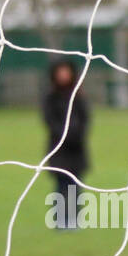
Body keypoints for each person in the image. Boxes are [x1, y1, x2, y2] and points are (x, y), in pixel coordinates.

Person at [42, 58, 91, 231]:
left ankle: (74, 220)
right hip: (58, 150)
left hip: (76, 149)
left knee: (75, 185)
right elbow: (49, 120)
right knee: (61, 185)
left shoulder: (78, 95)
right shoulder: (51, 97)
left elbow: (86, 119)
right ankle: (60, 221)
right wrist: (64, 134)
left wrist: (76, 134)